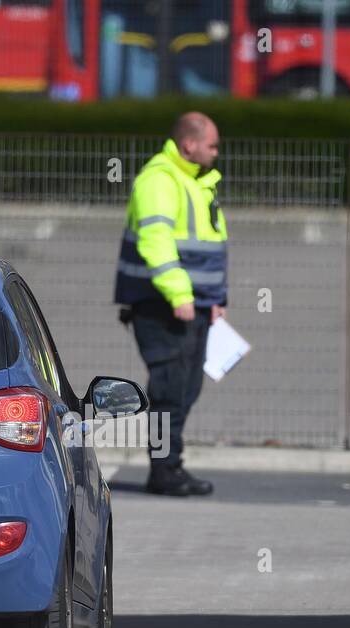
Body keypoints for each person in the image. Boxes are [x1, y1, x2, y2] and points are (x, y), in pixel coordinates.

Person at [113, 112, 227, 496]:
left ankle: (170, 467)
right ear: (189, 144)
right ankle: (164, 471)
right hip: (161, 303)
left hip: (193, 304)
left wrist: (215, 299)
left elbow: (207, 248)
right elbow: (156, 242)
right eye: (211, 145)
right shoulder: (159, 180)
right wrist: (180, 295)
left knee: (186, 387)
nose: (216, 152)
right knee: (169, 390)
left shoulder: (196, 182)